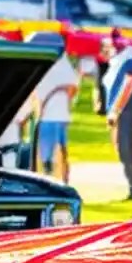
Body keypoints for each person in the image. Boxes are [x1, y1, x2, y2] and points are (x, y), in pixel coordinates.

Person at [100, 31, 132, 200]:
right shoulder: (117, 60)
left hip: (125, 111)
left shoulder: (130, 57)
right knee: (122, 148)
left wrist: (115, 110)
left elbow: (129, 83)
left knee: (126, 147)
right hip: (119, 111)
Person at [32, 53, 80, 183]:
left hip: (48, 116)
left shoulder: (43, 60)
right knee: (60, 150)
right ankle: (61, 181)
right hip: (59, 115)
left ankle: (49, 180)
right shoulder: (63, 62)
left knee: (47, 154)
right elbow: (74, 86)